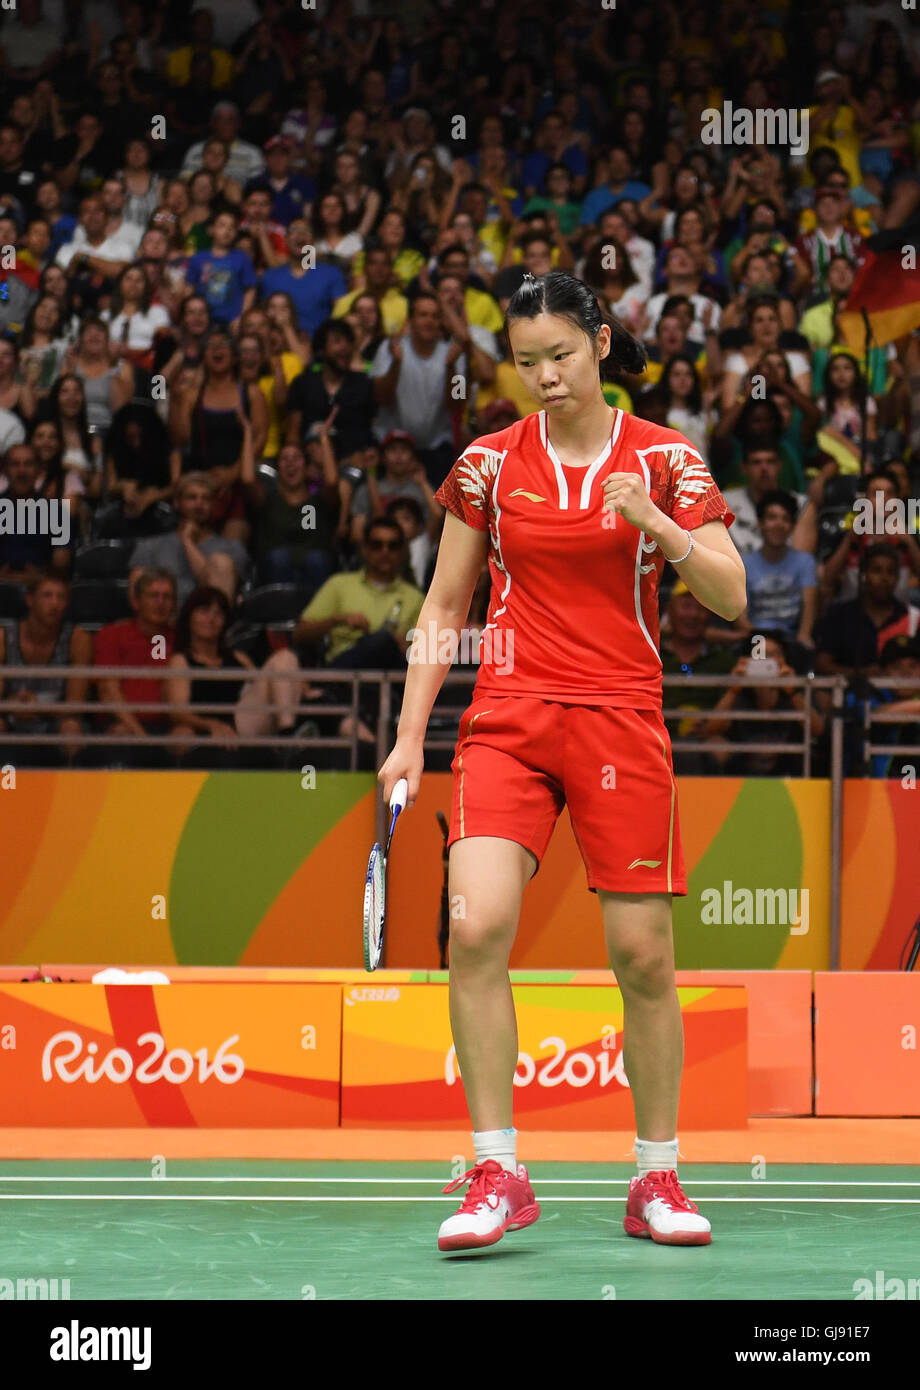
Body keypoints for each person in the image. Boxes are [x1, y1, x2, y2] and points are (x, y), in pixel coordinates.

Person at [378, 270, 745, 1251]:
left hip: (621, 717)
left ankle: (654, 1177)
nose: (542, 376)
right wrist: (410, 733)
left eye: (560, 356)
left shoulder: (667, 459)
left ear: (602, 346)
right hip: (506, 713)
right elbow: (443, 610)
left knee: (642, 956)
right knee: (476, 927)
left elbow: (732, 599)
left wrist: (658, 524)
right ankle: (497, 1168)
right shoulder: (486, 466)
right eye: (525, 360)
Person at [294, 515, 425, 745]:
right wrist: (337, 620)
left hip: (388, 681)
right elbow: (300, 633)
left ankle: (321, 691)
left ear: (402, 551)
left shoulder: (415, 598)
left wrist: (405, 647)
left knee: (383, 642)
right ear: (365, 548)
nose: (385, 551)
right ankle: (333, 702)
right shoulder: (339, 585)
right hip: (346, 678)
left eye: (392, 545)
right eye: (377, 544)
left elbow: (428, 655)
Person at [165, 585, 308, 760]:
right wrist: (211, 725)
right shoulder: (181, 661)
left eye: (218, 614)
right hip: (211, 727)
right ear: (189, 617)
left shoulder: (239, 658)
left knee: (285, 657)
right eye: (204, 611)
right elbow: (177, 712)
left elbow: (267, 688)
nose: (211, 619)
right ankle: (288, 738)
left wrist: (305, 687)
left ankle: (288, 735)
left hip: (247, 721)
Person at [0, 570, 91, 765]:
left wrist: (39, 707)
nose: (55, 604)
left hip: (56, 719)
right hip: (12, 715)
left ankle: (72, 789)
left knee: (72, 729)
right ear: (30, 599)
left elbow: (76, 704)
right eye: (47, 596)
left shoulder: (77, 638)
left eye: (61, 597)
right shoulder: (3, 637)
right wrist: (14, 703)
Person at [129, 472, 250, 605]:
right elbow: (136, 600)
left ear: (214, 505)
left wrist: (188, 542)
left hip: (209, 621)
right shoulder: (149, 546)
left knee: (221, 562)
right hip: (160, 620)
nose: (199, 504)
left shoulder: (231, 549)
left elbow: (218, 599)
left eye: (206, 499)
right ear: (176, 502)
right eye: (191, 498)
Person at [93, 567, 177, 740]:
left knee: (185, 737)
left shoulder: (181, 639)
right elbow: (108, 690)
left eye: (167, 597)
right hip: (121, 723)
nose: (160, 603)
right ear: (136, 601)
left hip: (168, 726)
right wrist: (140, 734)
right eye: (153, 596)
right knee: (121, 734)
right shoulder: (112, 635)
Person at [735, 491, 818, 648]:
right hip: (755, 640)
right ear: (760, 524)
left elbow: (809, 607)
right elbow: (741, 620)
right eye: (772, 518)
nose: (778, 524)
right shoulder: (744, 564)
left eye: (785, 519)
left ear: (792, 527)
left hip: (791, 641)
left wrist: (803, 638)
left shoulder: (805, 562)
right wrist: (763, 642)